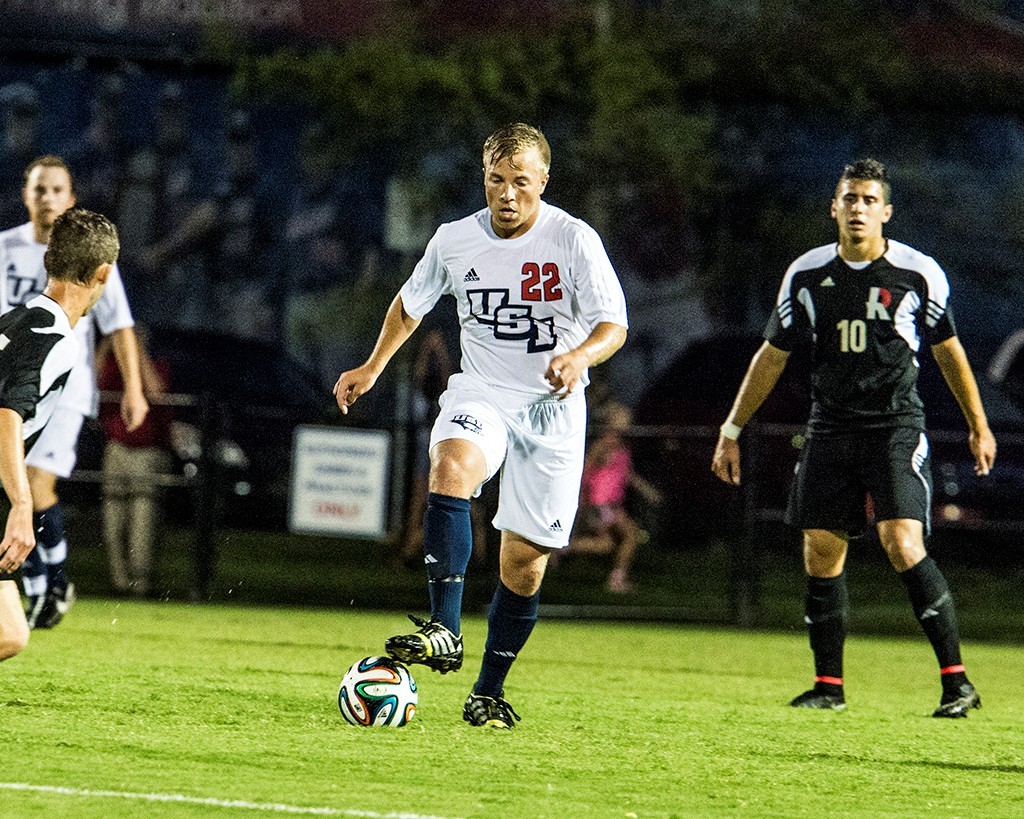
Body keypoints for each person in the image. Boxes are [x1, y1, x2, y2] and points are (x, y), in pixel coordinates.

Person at [334, 123, 628, 729]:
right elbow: (410, 304)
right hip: (482, 392)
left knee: (524, 565)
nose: (509, 193)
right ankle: (444, 625)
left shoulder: (573, 239)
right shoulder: (454, 241)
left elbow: (612, 325)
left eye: (522, 181)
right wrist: (372, 364)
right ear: (484, 178)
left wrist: (579, 357)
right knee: (451, 463)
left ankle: (487, 692)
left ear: (543, 180)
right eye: (497, 179)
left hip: (552, 412)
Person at [711, 159, 997, 718]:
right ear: (834, 208)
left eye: (869, 200)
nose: (859, 208)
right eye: (850, 198)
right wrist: (731, 429)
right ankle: (828, 686)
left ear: (886, 212)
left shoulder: (918, 273)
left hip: (894, 426)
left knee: (902, 542)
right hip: (830, 428)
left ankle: (957, 682)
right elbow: (772, 355)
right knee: (820, 553)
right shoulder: (806, 275)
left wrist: (978, 425)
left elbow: (948, 351)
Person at [0, 156, 148, 628]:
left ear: (71, 197)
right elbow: (6, 412)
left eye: (57, 189)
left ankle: (45, 584)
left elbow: (120, 325)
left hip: (61, 390)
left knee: (34, 479)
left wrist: (134, 388)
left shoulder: (76, 277)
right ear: (26, 194)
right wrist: (20, 508)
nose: (47, 198)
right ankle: (48, 583)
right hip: (28, 374)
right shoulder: (48, 329)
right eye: (39, 189)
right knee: (27, 485)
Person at [0, 207, 118, 660]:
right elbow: (6, 413)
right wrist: (22, 504)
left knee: (10, 630)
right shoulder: (56, 339)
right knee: (9, 632)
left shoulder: (18, 320)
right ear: (102, 273)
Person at [97, 326, 173, 597]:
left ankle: (141, 584)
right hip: (117, 448)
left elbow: (156, 391)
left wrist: (136, 350)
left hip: (148, 452)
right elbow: (92, 380)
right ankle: (119, 583)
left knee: (143, 523)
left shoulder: (157, 364)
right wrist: (109, 342)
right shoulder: (113, 365)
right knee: (113, 520)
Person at [568, 401, 662, 593]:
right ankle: (617, 580)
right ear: (611, 421)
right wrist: (580, 499)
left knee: (606, 545)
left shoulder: (621, 445)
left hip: (611, 504)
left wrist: (647, 490)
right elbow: (586, 470)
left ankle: (563, 548)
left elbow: (626, 474)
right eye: (622, 416)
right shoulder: (605, 444)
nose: (627, 419)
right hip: (602, 504)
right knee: (631, 535)